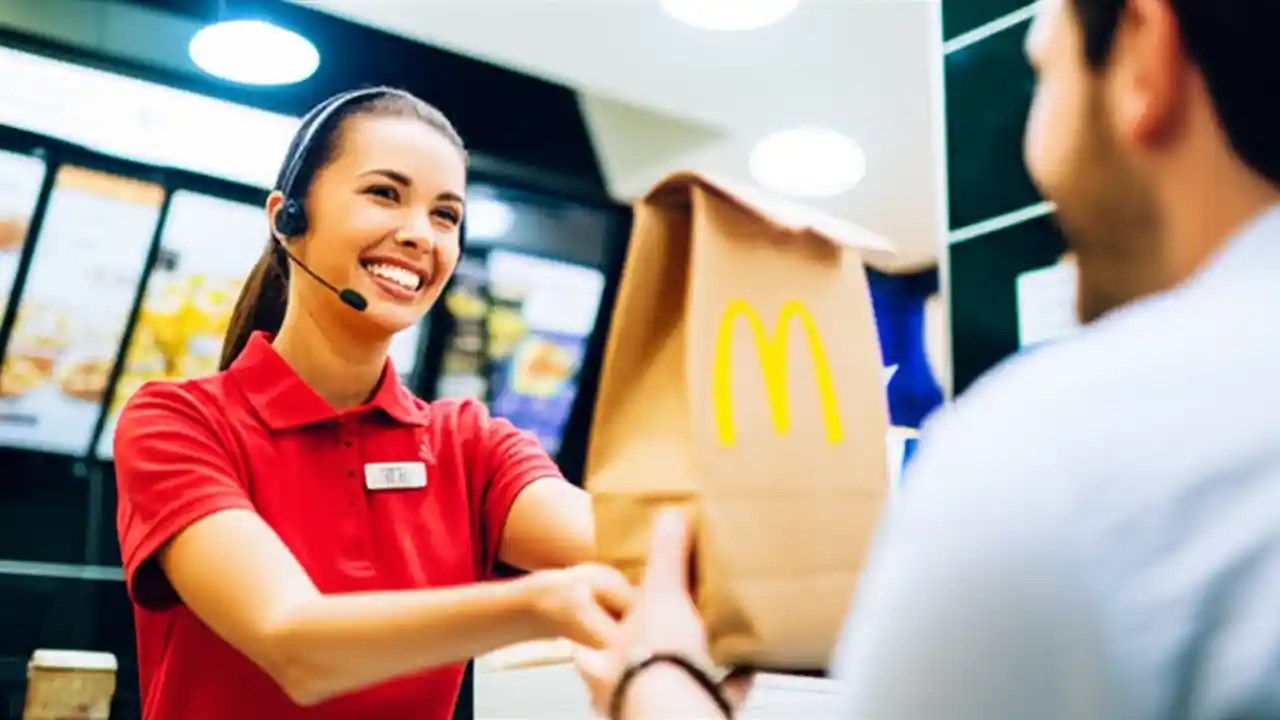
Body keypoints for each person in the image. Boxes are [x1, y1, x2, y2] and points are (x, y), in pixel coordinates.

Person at [576, 0, 1280, 717]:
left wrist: (657, 684)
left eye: (1041, 74)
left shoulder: (1055, 451)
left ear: (1140, 53)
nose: (1030, 149)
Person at [112, 86, 632, 720]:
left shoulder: (471, 447)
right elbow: (294, 642)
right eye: (385, 194)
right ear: (287, 218)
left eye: (445, 215)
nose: (420, 235)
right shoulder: (180, 422)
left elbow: (639, 552)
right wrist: (538, 606)